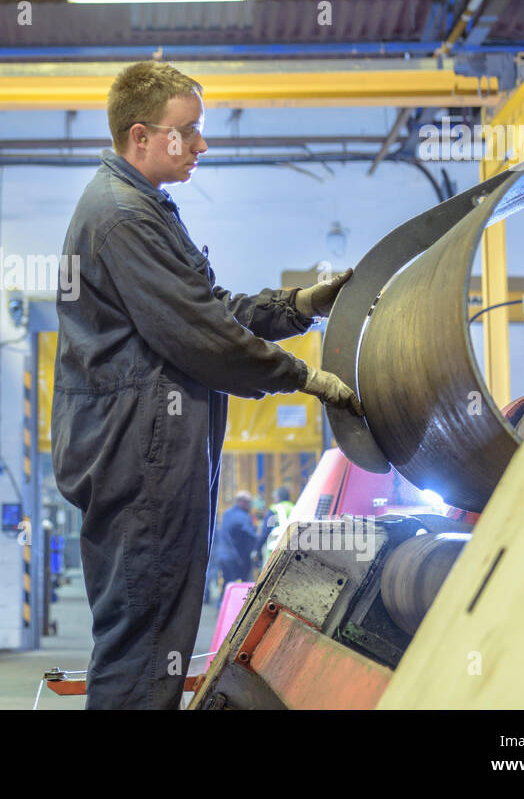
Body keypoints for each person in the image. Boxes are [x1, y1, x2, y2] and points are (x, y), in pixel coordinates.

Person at [50, 61, 364, 710]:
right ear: (141, 137)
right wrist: (300, 376)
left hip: (145, 451)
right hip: (140, 457)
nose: (201, 145)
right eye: (186, 132)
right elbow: (200, 336)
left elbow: (208, 309)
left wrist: (299, 305)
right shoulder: (123, 219)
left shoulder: (140, 208)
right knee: (142, 645)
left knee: (147, 635)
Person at [219, 490, 259, 585]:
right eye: (249, 502)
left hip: (223, 555)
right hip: (236, 558)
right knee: (239, 586)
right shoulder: (243, 516)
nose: (251, 505)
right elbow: (252, 535)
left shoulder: (227, 513)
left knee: (227, 585)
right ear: (242, 502)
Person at [260, 485, 298, 572]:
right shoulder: (294, 508)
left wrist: (257, 549)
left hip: (275, 551)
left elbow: (265, 532)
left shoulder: (274, 509)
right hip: (292, 551)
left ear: (278, 498)